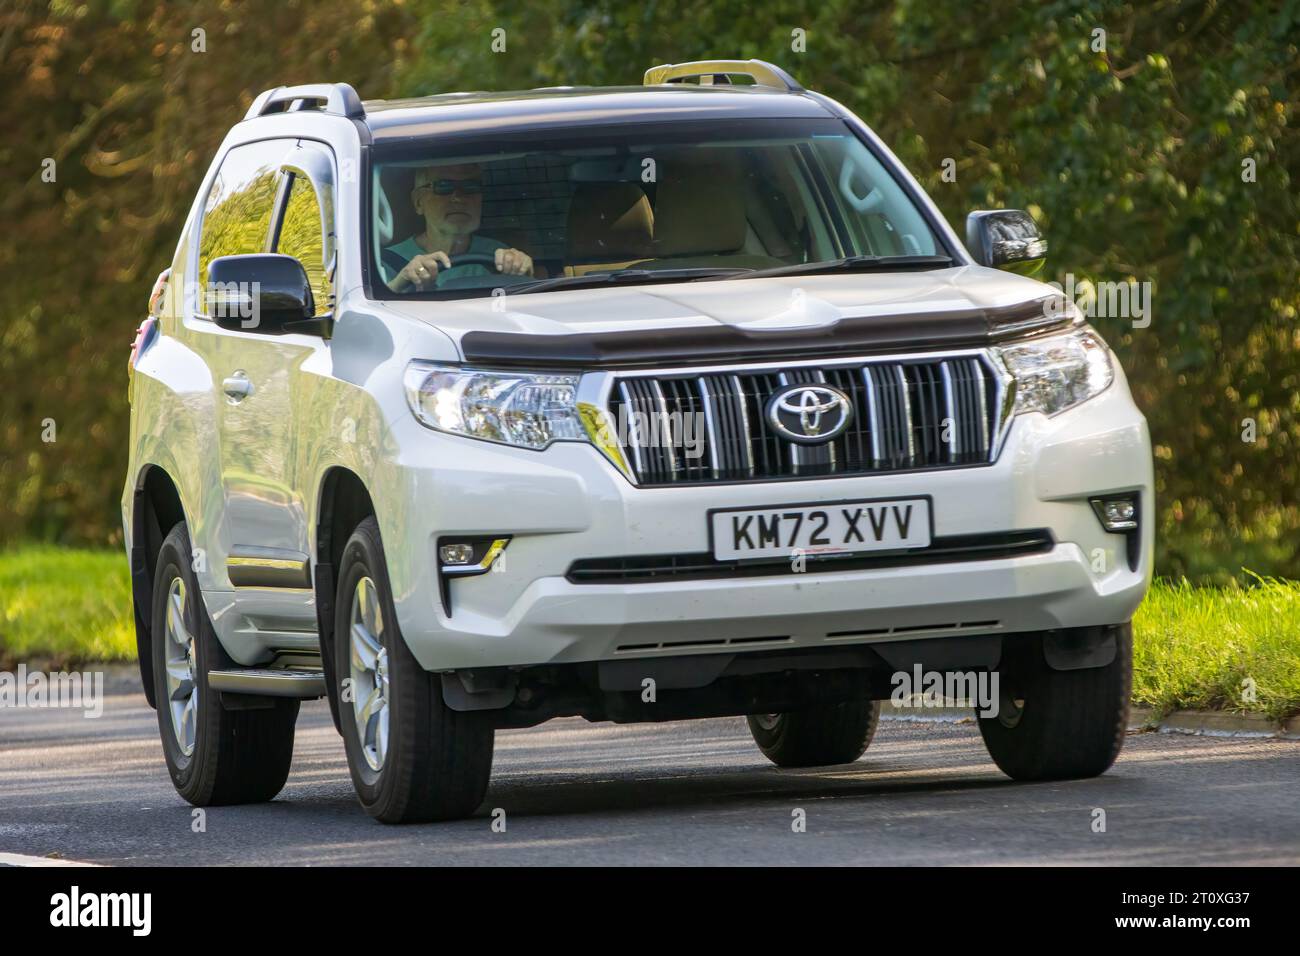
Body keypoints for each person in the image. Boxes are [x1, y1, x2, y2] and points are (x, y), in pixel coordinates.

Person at [381, 163, 534, 291]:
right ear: (418, 202)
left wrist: (522, 270)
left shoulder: (500, 256)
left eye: (471, 187)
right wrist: (399, 284)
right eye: (443, 186)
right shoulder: (386, 261)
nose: (458, 198)